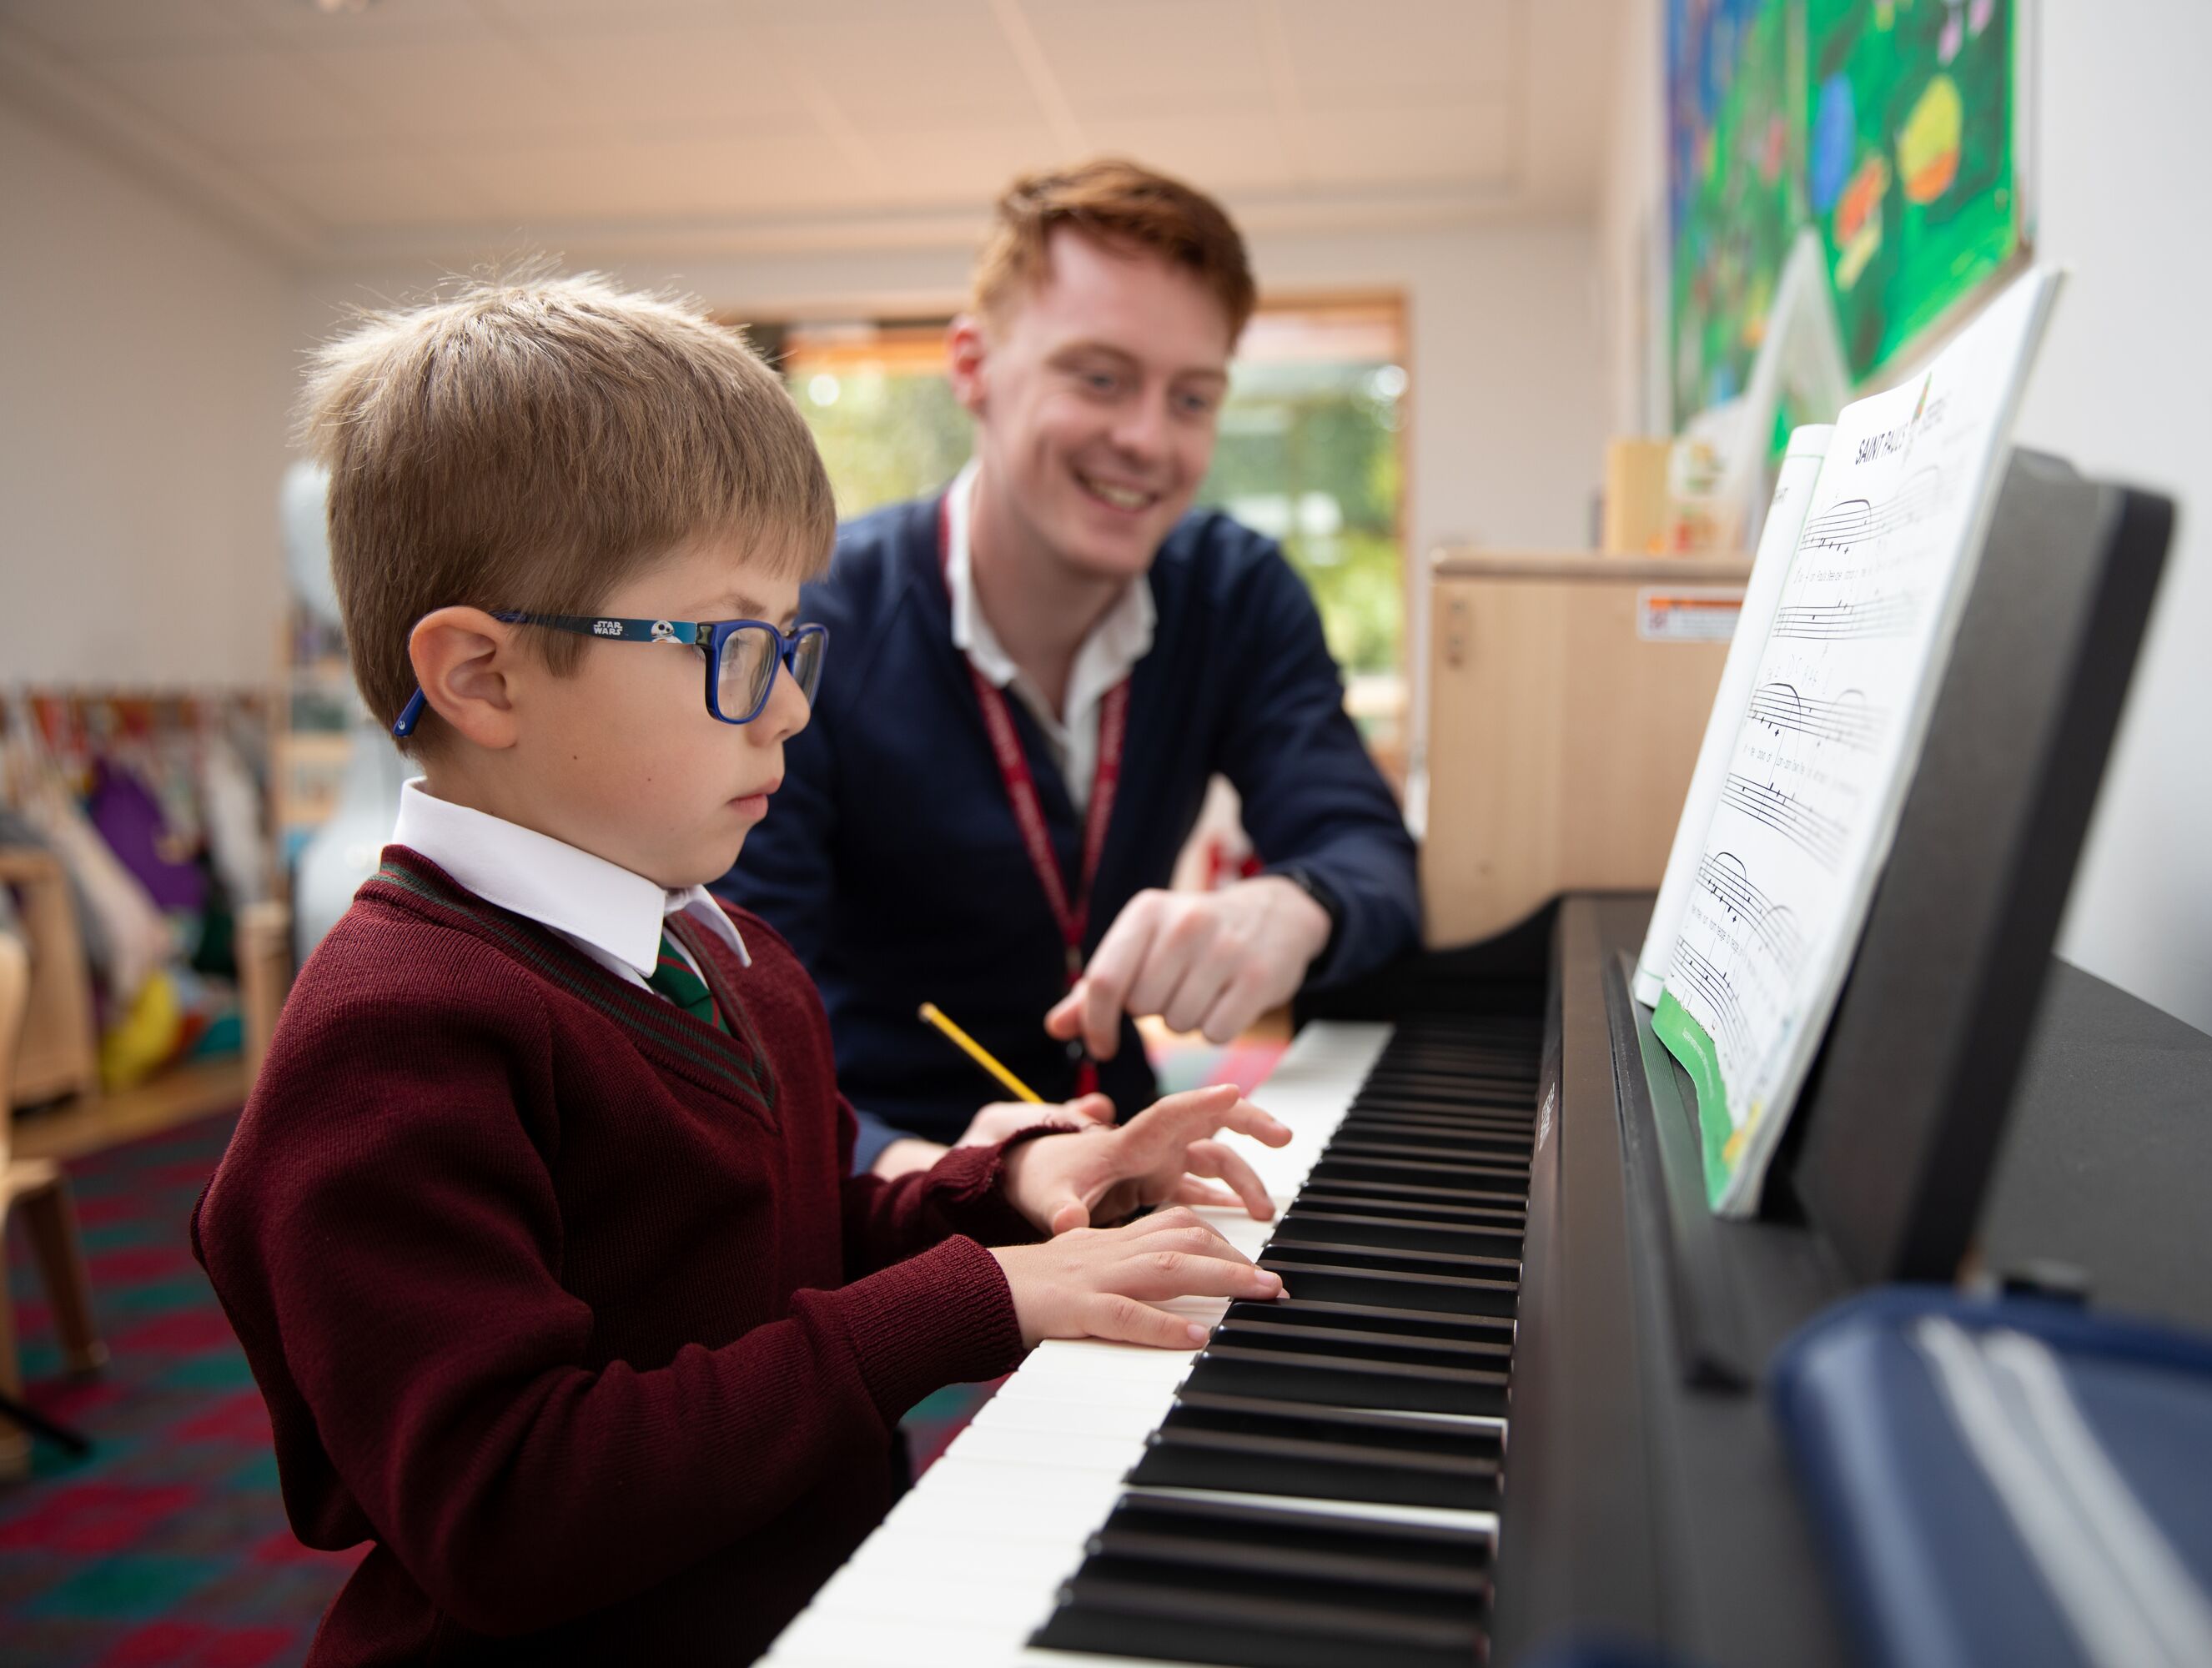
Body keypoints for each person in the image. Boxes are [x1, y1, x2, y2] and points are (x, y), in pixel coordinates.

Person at [192, 274, 1293, 1667]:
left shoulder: (721, 947)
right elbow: (508, 1505)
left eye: (789, 642)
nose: (785, 707)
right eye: (729, 647)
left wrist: (1004, 1192)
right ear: (483, 676)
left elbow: (766, 1261)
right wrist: (971, 1301)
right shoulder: (398, 1038)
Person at [721, 159, 1421, 1178]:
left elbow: (1368, 853)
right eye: (1099, 378)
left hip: (1122, 1148)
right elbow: (736, 1010)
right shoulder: (820, 623)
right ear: (972, 367)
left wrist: (1292, 904)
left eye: (1192, 398)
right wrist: (950, 1175)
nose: (1147, 438)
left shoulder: (1233, 592)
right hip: (867, 1172)